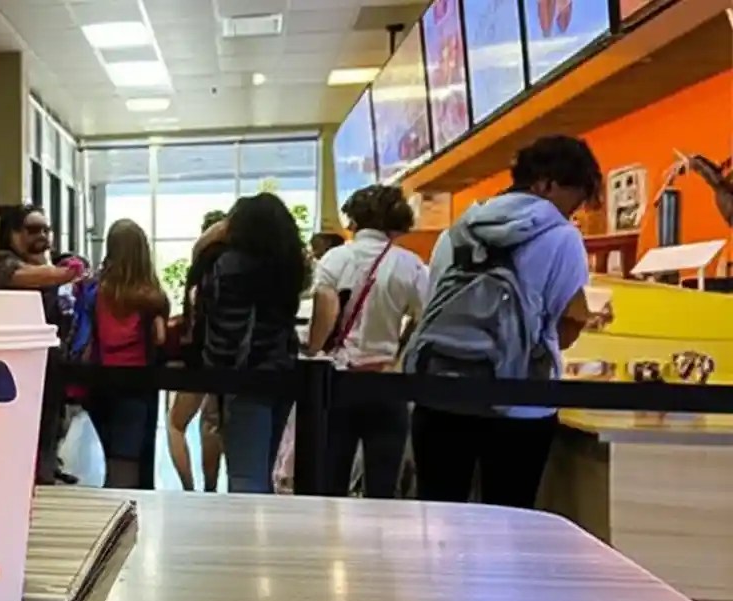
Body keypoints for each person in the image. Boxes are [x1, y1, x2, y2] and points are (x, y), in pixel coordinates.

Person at [406, 135, 605, 508]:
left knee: (436, 515)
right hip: (519, 402)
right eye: (575, 196)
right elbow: (569, 323)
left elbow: (432, 298)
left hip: (440, 395)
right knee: (510, 520)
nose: (574, 210)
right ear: (546, 183)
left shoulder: (457, 231)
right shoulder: (562, 237)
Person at [307, 185, 428, 498]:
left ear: (355, 219)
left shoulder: (334, 259)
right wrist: (400, 348)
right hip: (386, 382)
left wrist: (314, 350)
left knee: (331, 481)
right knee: (383, 485)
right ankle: (377, 544)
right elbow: (424, 317)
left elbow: (322, 316)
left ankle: (329, 543)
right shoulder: (410, 264)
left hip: (338, 380)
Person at [198, 193, 303, 494]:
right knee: (265, 467)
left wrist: (211, 235)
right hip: (282, 370)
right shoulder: (288, 266)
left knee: (245, 475)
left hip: (244, 374)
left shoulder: (229, 264)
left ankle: (244, 539)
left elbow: (204, 288)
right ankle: (266, 536)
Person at [0, 204, 80, 485]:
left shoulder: (51, 264)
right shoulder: (1, 262)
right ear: (13, 234)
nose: (41, 236)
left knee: (52, 418)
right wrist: (67, 273)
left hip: (51, 358)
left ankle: (46, 470)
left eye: (45, 229)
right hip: (12, 362)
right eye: (32, 229)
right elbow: (20, 276)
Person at [84, 219, 169, 490]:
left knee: (114, 456)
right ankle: (126, 519)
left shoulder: (95, 291)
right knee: (129, 460)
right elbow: (161, 338)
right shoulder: (151, 298)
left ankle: (111, 518)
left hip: (99, 383)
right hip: (137, 384)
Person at [166, 210, 234, 492]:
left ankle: (189, 487)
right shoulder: (233, 276)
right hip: (227, 359)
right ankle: (210, 486)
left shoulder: (198, 279)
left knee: (176, 424)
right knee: (213, 423)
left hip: (197, 360)